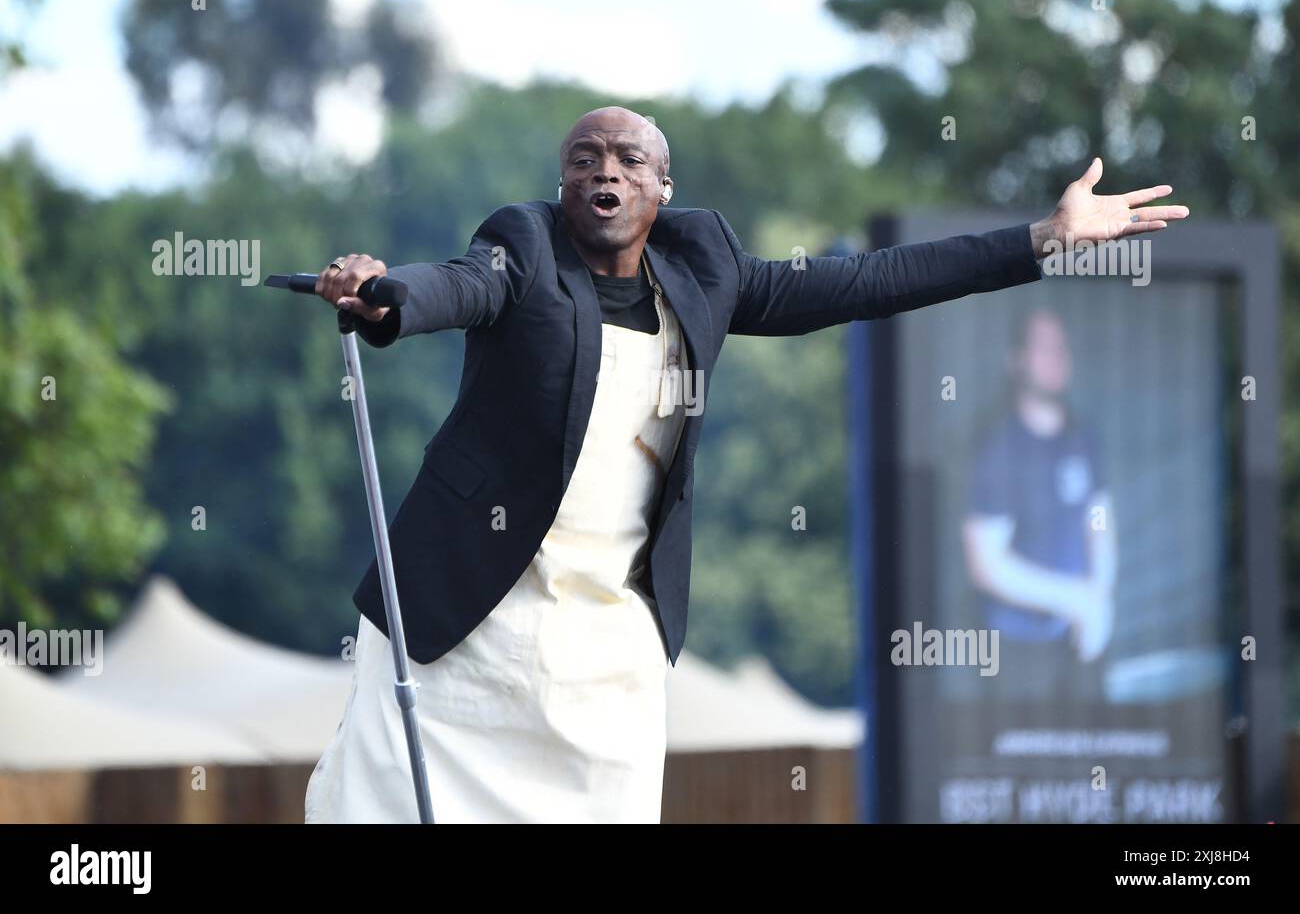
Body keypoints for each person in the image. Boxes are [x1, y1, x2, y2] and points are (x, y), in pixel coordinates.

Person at [304, 106, 1187, 822]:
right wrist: (383, 300)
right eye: (583, 158)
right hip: (467, 619)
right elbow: (460, 285)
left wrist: (1040, 237)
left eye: (627, 159)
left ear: (662, 187)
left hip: (606, 640)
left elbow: (868, 282)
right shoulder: (524, 247)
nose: (603, 171)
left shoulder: (706, 269)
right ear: (562, 182)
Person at [962, 307, 1117, 702]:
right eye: (1044, 348)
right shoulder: (996, 449)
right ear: (1016, 360)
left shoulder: (1083, 436)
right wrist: (1074, 597)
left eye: (1061, 347)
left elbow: (1098, 517)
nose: (1056, 358)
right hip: (1017, 653)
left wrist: (1099, 597)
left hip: (1078, 640)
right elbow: (986, 564)